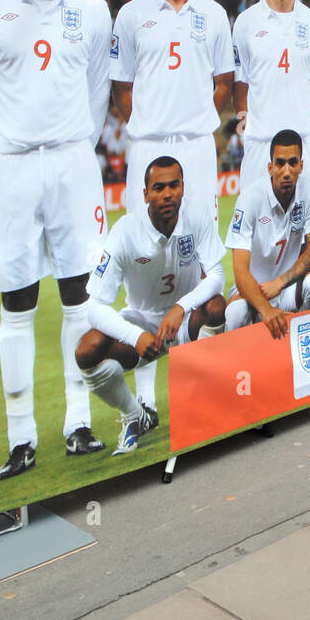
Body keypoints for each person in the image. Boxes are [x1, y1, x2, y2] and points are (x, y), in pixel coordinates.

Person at [0, 0, 112, 481]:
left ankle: (78, 424)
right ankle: (20, 437)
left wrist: (74, 145)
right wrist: (4, 145)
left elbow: (97, 89)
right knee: (17, 302)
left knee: (78, 295)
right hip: (15, 169)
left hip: (73, 163)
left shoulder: (91, 8)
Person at [76, 157, 227, 454]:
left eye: (174, 185)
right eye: (158, 188)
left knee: (218, 307)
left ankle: (204, 400)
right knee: (87, 349)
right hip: (144, 327)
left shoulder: (197, 216)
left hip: (184, 323)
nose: (168, 193)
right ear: (145, 194)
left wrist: (181, 307)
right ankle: (136, 415)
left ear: (183, 187)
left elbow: (218, 275)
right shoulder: (125, 232)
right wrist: (136, 335)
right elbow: (94, 307)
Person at [110, 0, 233, 216]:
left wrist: (198, 120)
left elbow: (225, 83)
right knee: (144, 246)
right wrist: (146, 126)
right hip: (147, 145)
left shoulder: (214, 13)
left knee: (201, 242)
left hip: (197, 146)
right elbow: (121, 87)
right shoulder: (131, 14)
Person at [231, 0, 310, 194]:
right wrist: (248, 129)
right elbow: (239, 87)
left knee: (304, 225)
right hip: (260, 143)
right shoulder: (246, 22)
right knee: (253, 226)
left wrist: (304, 119)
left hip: (302, 142)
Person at [223, 129, 310, 335]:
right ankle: (237, 362)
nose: (286, 171)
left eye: (293, 163)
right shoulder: (249, 199)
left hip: (286, 287)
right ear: (270, 167)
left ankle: (302, 343)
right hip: (254, 291)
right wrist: (266, 309)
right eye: (280, 163)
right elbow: (240, 271)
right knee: (235, 312)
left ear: (301, 166)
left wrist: (279, 284)